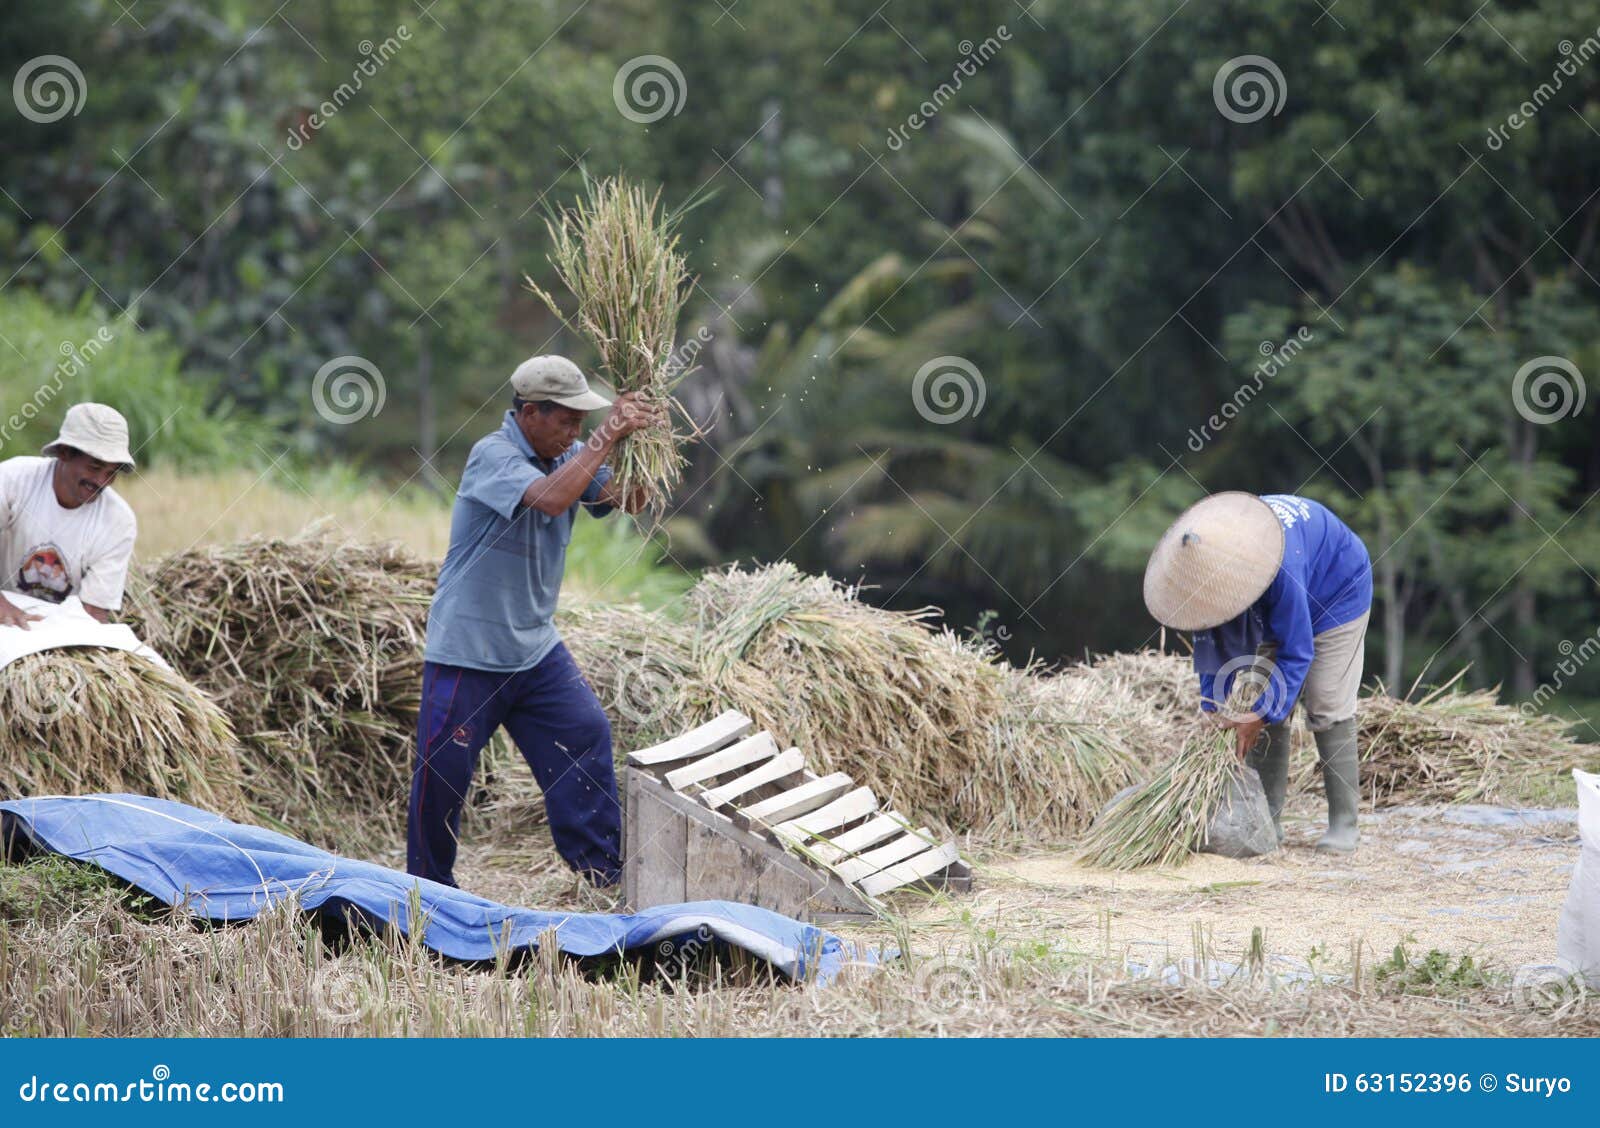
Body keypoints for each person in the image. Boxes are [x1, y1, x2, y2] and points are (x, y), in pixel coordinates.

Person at [407, 355, 663, 889]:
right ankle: (428, 892)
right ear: (529, 413)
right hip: (468, 652)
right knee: (443, 776)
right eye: (568, 419)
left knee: (584, 732)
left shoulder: (569, 455)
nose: (577, 430)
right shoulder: (493, 455)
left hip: (532, 649)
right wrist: (607, 436)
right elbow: (550, 500)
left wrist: (650, 449)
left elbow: (629, 498)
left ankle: (600, 877)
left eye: (582, 421)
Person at [1142, 491, 1372, 853]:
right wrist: (1213, 709)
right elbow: (1212, 649)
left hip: (1336, 592)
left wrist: (1261, 713)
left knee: (1327, 701)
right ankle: (1268, 823)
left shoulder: (1279, 569)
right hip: (1278, 596)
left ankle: (1344, 825)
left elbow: (1298, 650)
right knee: (1260, 691)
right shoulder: (1210, 576)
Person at [0, 403, 138, 629]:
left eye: (111, 473)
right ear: (64, 453)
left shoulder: (119, 521)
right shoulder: (12, 480)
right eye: (94, 467)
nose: (101, 482)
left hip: (59, 626)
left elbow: (93, 612)